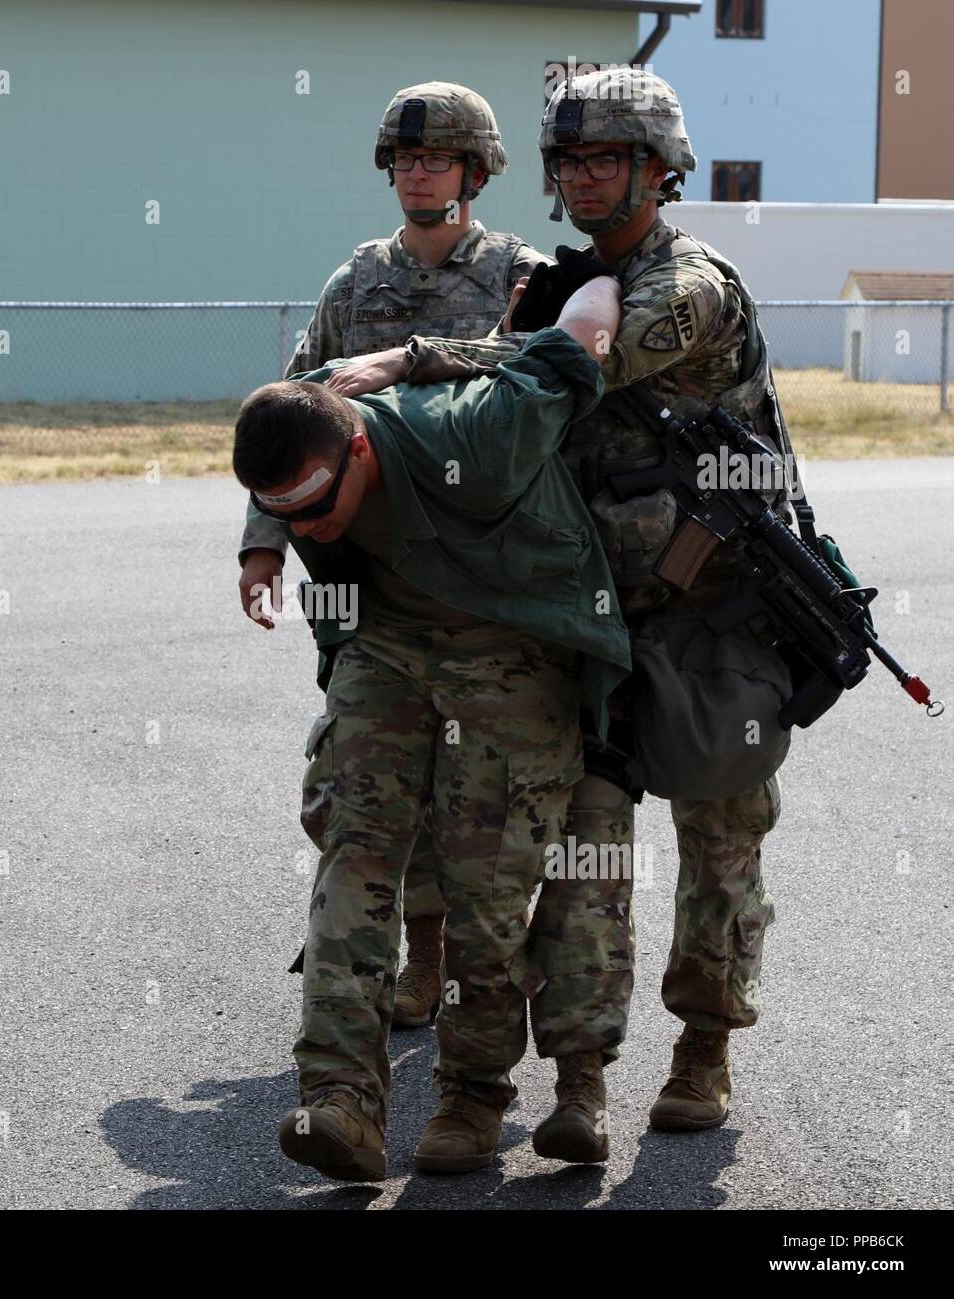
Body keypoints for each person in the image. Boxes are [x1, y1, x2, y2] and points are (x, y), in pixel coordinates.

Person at [326, 68, 794, 1151]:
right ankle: (581, 1082)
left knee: (720, 840)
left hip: (716, 615)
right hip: (591, 613)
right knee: (588, 849)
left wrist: (408, 355)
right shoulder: (556, 279)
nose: (584, 180)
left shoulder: (689, 283)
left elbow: (565, 366)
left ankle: (705, 1047)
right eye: (569, 163)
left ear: (658, 169)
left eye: (607, 161)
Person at [233, 277, 630, 1182]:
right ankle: (341, 1098)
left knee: (485, 882)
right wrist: (264, 543)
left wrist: (596, 283)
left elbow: (574, 343)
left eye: (314, 509)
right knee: (353, 849)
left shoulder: (476, 431)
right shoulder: (315, 427)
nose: (305, 528)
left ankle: (473, 1093)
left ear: (362, 446)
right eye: (283, 514)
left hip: (513, 636)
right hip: (389, 639)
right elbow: (286, 477)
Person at [238, 82, 551, 1031]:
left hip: (482, 573)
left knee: (482, 788)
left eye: (437, 159)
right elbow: (295, 416)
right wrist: (262, 546)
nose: (417, 173)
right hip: (359, 572)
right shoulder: (355, 283)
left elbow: (543, 375)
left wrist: (414, 359)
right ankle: (417, 958)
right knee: (369, 773)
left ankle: (486, 964)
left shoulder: (522, 276)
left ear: (477, 169)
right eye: (405, 160)